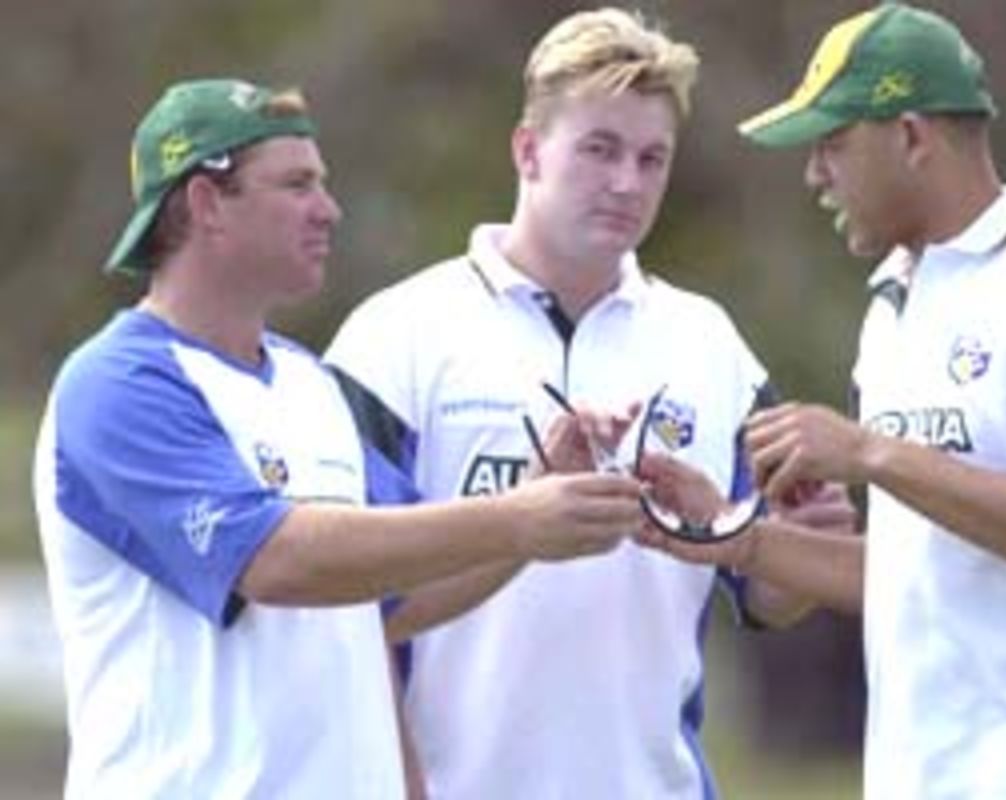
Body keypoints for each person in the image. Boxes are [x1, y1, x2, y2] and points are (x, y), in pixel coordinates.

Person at [31, 77, 645, 799]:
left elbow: (403, 593)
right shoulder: (116, 383)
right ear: (204, 204)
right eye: (296, 185)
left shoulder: (310, 383)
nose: (329, 210)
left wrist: (533, 508)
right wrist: (516, 519)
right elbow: (274, 562)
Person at [645, 3, 1006, 798]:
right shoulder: (895, 309)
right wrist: (737, 541)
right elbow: (921, 571)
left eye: (832, 144)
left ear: (910, 137)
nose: (814, 175)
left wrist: (872, 453)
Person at [325, 8, 854, 799]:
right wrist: (519, 520)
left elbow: (764, 596)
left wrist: (803, 556)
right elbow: (335, 601)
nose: (626, 183)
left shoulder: (709, 344)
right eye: (599, 149)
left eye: (652, 158)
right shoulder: (395, 337)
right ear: (528, 150)